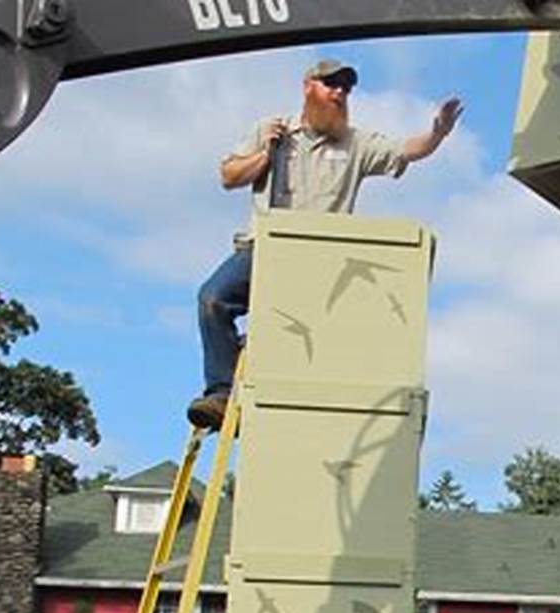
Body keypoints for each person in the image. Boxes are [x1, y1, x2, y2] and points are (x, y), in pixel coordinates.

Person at [187, 59, 463, 428]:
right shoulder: (273, 130)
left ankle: (264, 366)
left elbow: (406, 150)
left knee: (304, 338)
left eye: (346, 89)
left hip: (322, 257)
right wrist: (266, 154)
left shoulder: (356, 143)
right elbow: (229, 176)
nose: (339, 93)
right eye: (331, 85)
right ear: (308, 86)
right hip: (266, 247)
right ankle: (220, 393)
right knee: (212, 298)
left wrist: (437, 134)